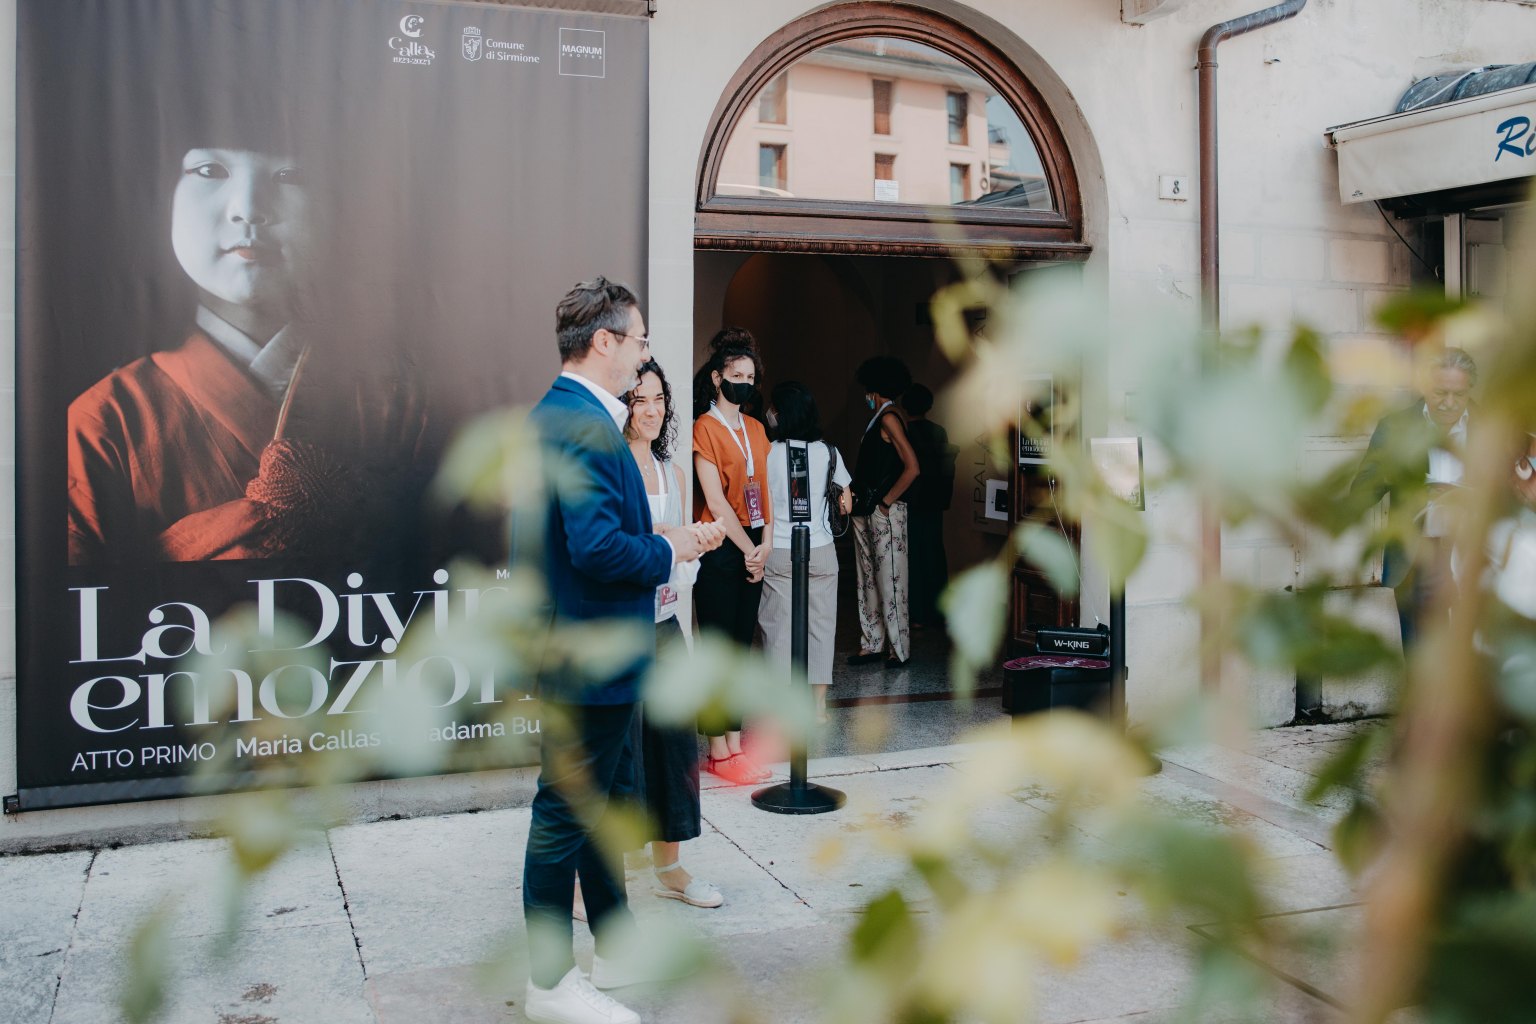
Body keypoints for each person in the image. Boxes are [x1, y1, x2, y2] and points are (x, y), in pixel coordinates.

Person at [65, 113, 422, 565]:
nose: (251, 208)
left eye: (291, 175)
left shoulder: (397, 398)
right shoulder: (104, 420)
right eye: (209, 171)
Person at [522, 278, 721, 1024]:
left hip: (597, 648)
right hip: (588, 653)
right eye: (639, 339)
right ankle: (548, 986)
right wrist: (672, 545)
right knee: (566, 816)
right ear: (604, 342)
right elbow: (600, 550)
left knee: (599, 808)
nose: (644, 354)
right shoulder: (580, 423)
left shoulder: (574, 415)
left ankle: (614, 945)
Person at [622, 359, 725, 909]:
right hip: (619, 628)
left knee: (674, 745)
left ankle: (671, 868)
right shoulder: (610, 470)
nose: (652, 410)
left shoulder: (672, 473)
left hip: (664, 624)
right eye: (640, 400)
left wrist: (694, 545)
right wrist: (666, 541)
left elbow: (679, 562)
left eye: (659, 399)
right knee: (620, 752)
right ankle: (596, 876)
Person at [1351, 347, 1478, 648]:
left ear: (1469, 390)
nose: (1449, 403)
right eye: (1440, 392)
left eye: (1458, 395)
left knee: (1473, 661)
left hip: (1476, 555)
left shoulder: (1490, 428)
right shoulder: (1395, 427)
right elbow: (1361, 493)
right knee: (1420, 658)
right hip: (1416, 557)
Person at [692, 328, 774, 785]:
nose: (745, 382)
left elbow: (767, 493)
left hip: (753, 547)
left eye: (750, 376)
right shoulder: (705, 427)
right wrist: (748, 549)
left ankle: (736, 746)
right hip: (720, 549)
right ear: (719, 378)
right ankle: (716, 750)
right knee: (719, 651)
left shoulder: (757, 429)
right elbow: (716, 501)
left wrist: (765, 545)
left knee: (741, 652)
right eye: (736, 375)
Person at [759, 382, 853, 722]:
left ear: (781, 415)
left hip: (780, 547)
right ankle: (817, 707)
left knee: (777, 627)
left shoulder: (767, 453)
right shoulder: (829, 452)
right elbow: (847, 502)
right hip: (822, 549)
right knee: (822, 625)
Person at [847, 356, 921, 668]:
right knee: (867, 579)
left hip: (882, 511)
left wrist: (885, 503)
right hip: (866, 509)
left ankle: (898, 649)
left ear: (874, 389)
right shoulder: (881, 416)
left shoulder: (889, 418)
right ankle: (873, 643)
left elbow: (912, 467)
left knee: (890, 579)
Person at [900, 383, 956, 629]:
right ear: (929, 406)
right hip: (934, 501)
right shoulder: (939, 431)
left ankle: (915, 613)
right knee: (934, 553)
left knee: (911, 556)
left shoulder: (904, 432)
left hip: (910, 500)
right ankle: (938, 610)